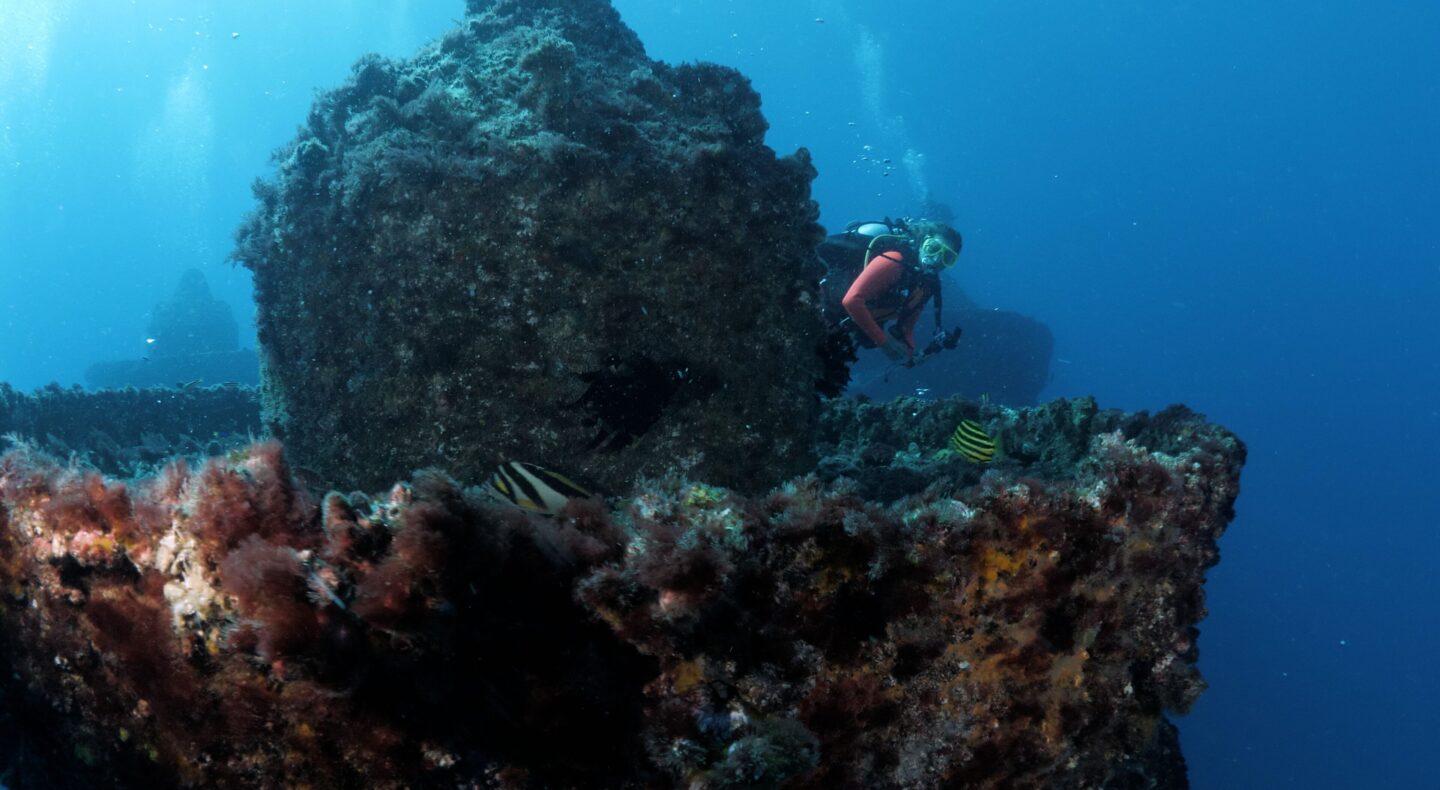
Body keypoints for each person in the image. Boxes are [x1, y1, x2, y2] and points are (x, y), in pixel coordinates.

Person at [816, 218, 963, 395]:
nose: (936, 258)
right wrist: (884, 342)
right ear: (923, 242)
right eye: (933, 248)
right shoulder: (895, 259)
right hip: (820, 307)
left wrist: (910, 356)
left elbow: (906, 330)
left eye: (947, 257)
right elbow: (852, 300)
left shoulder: (926, 286)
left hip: (840, 327)